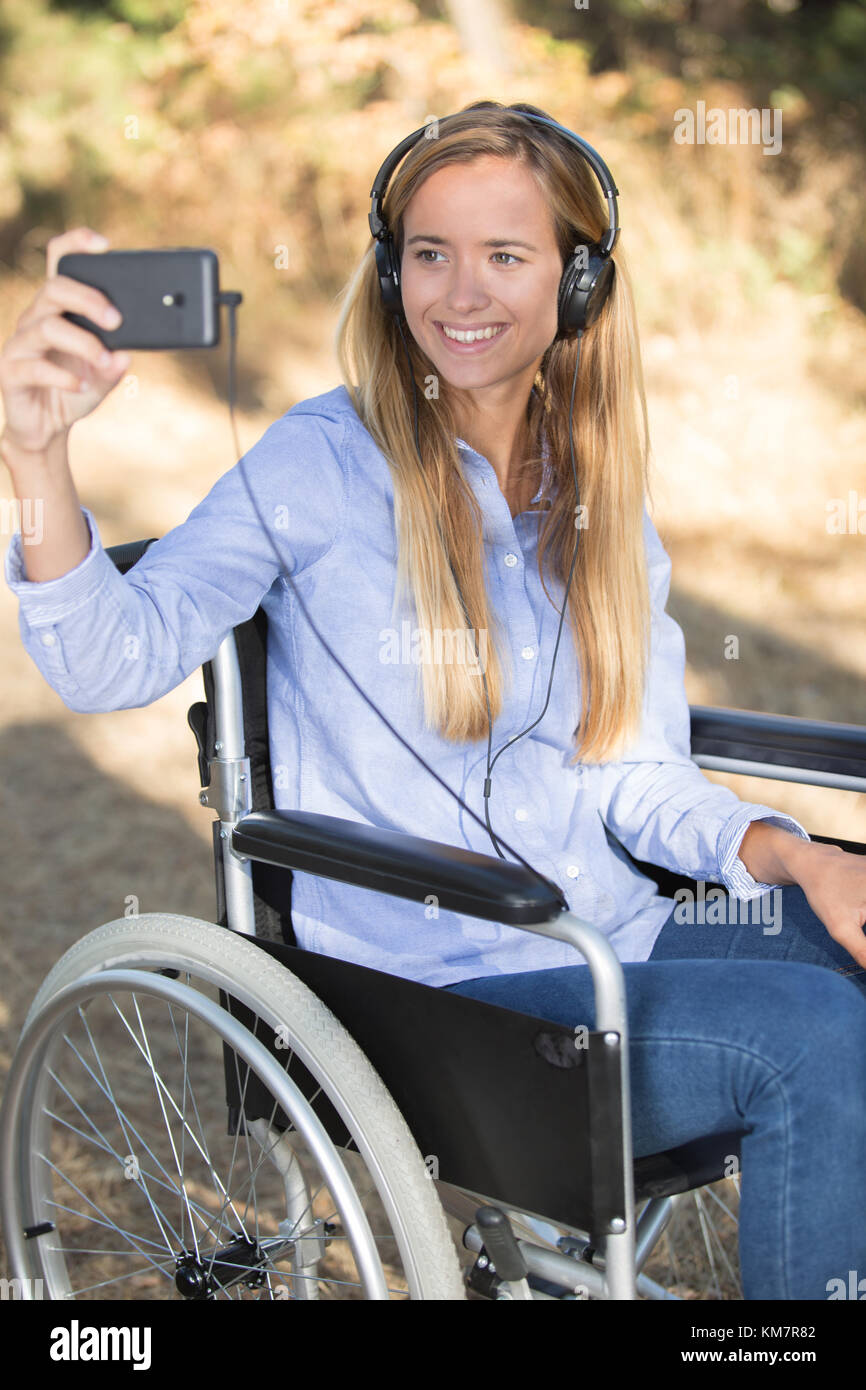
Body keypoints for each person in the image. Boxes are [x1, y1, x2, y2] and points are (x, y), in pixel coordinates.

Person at [2, 100, 865, 1300]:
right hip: (441, 993)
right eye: (427, 251)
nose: (458, 292)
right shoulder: (318, 464)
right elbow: (110, 657)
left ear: (574, 285)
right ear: (386, 268)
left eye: (503, 255)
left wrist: (788, 855)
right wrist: (36, 454)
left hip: (610, 938)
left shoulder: (592, 489)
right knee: (819, 1040)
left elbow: (630, 767)